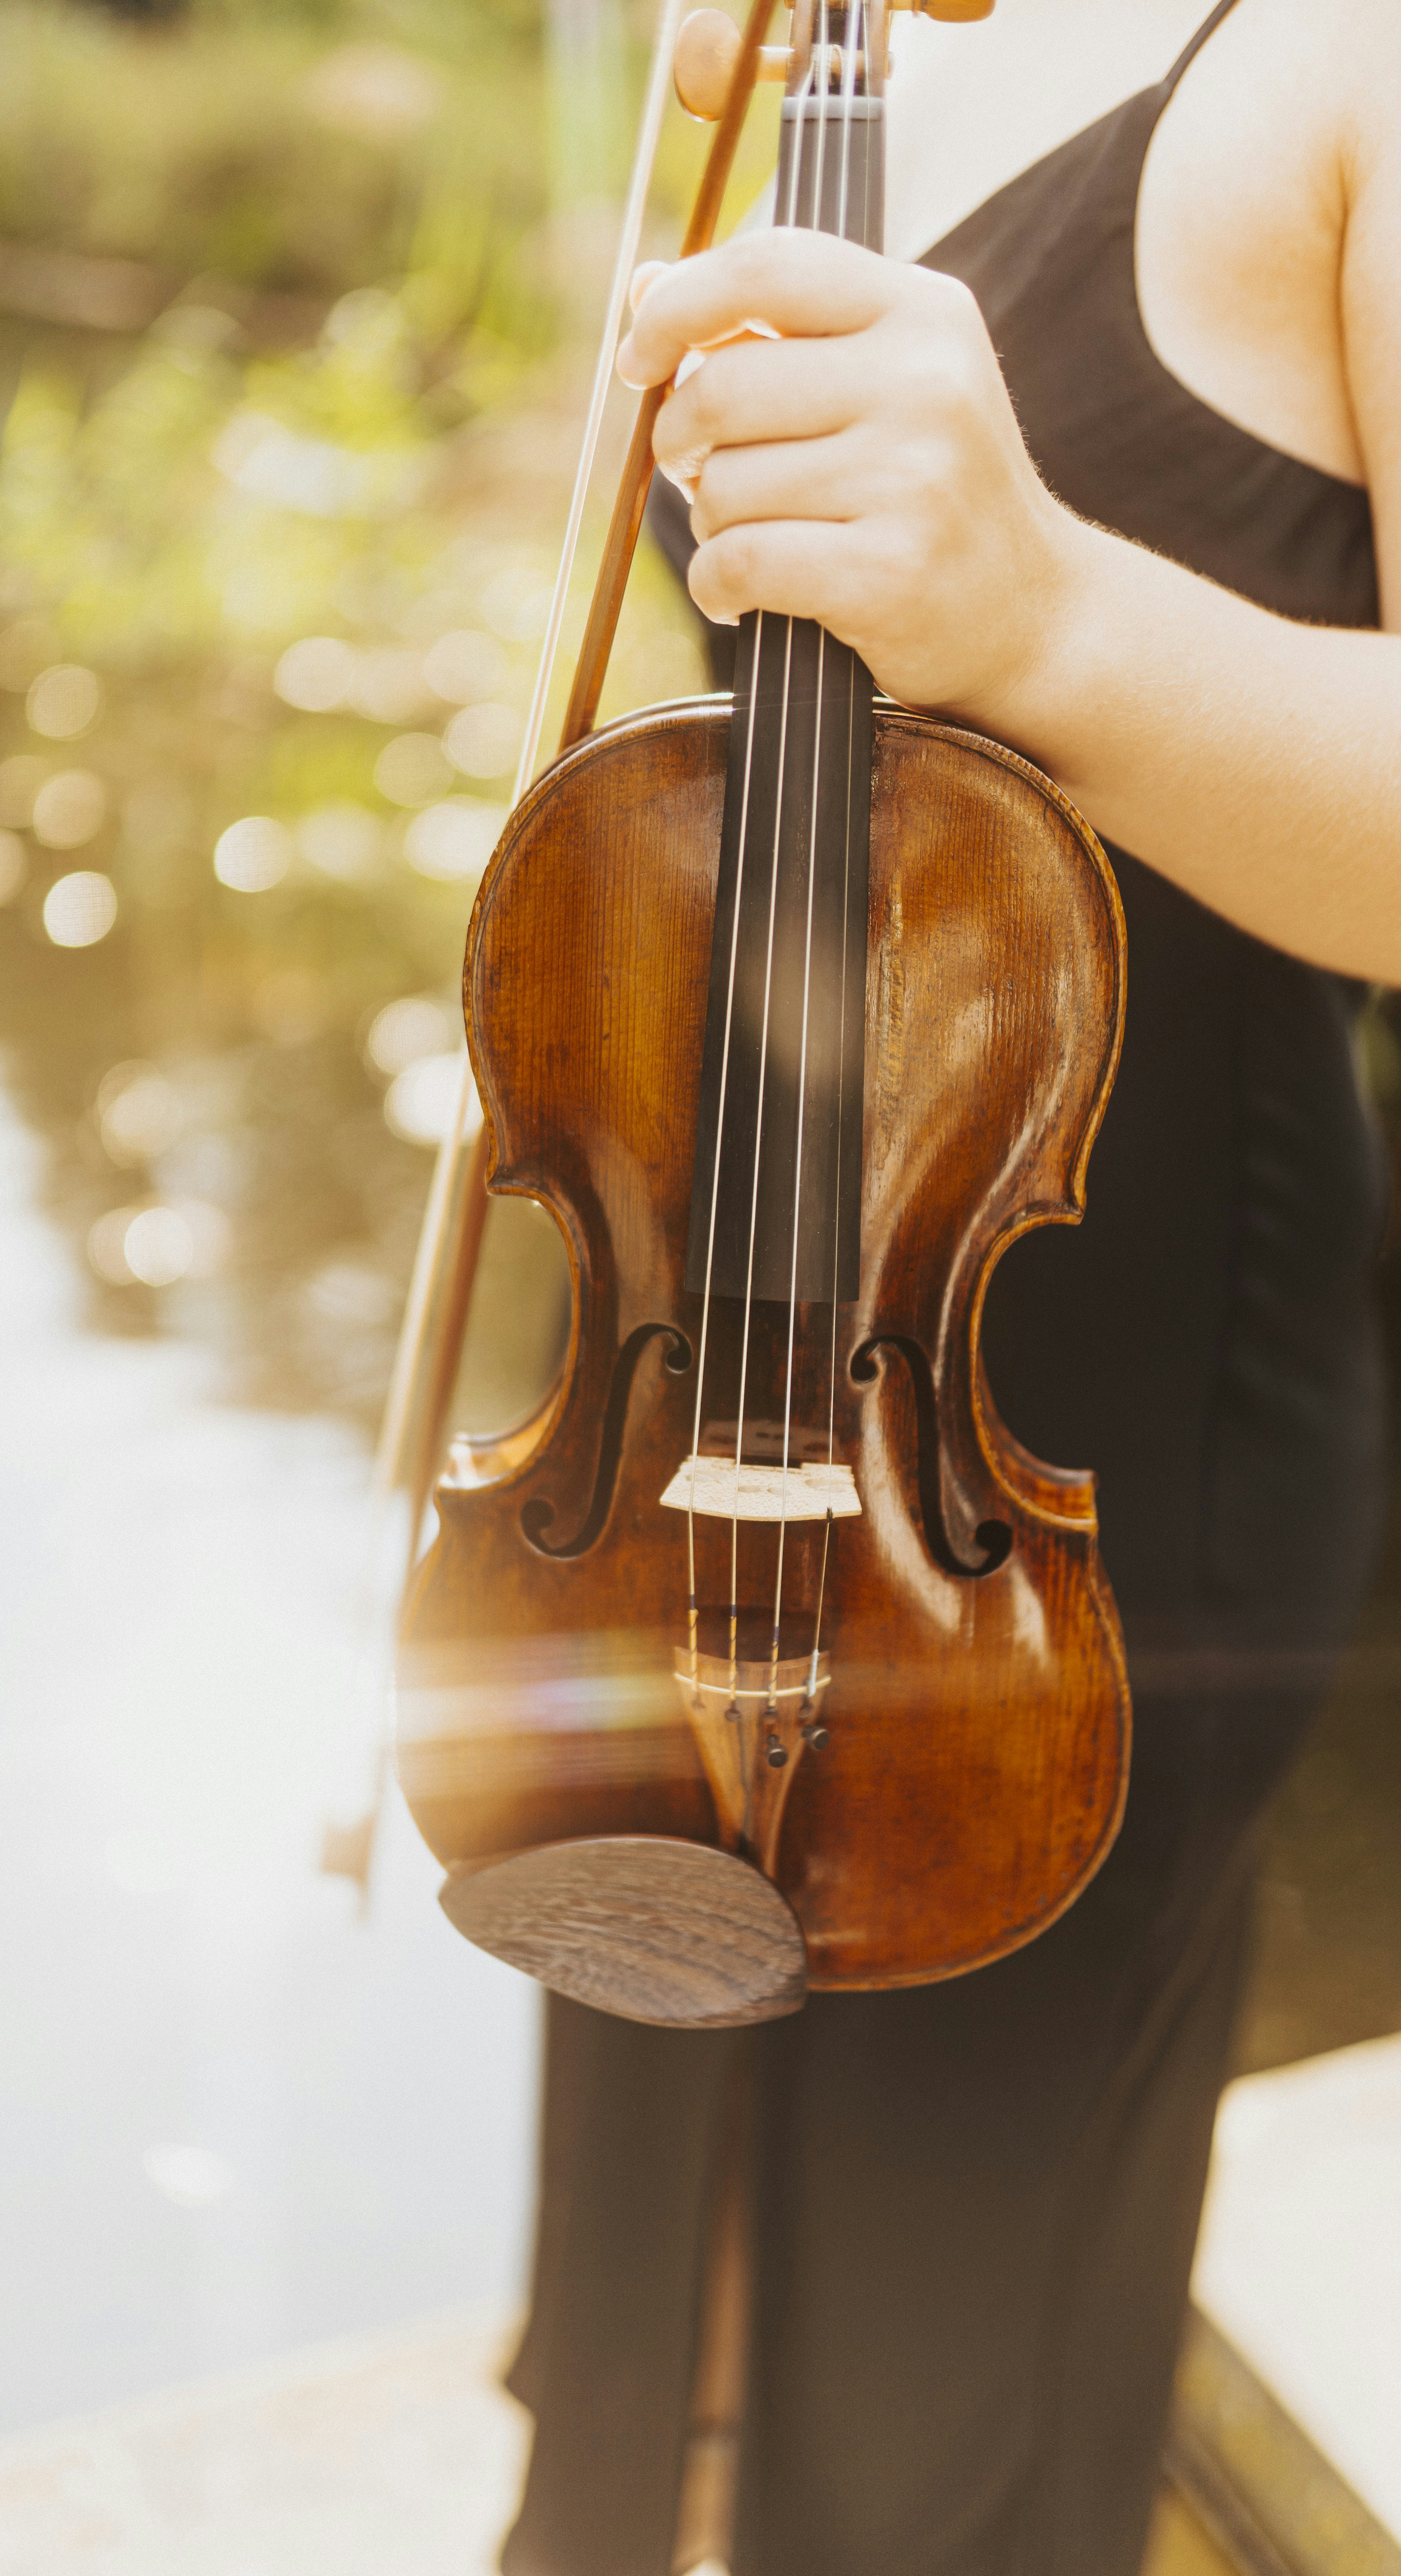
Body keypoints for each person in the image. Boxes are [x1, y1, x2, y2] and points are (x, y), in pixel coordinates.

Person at [499, 1, 1396, 2570]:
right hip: (693, 1385)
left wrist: (1051, 621)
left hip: (1079, 1484)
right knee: (656, 2208)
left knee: (938, 2364)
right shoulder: (811, 25)